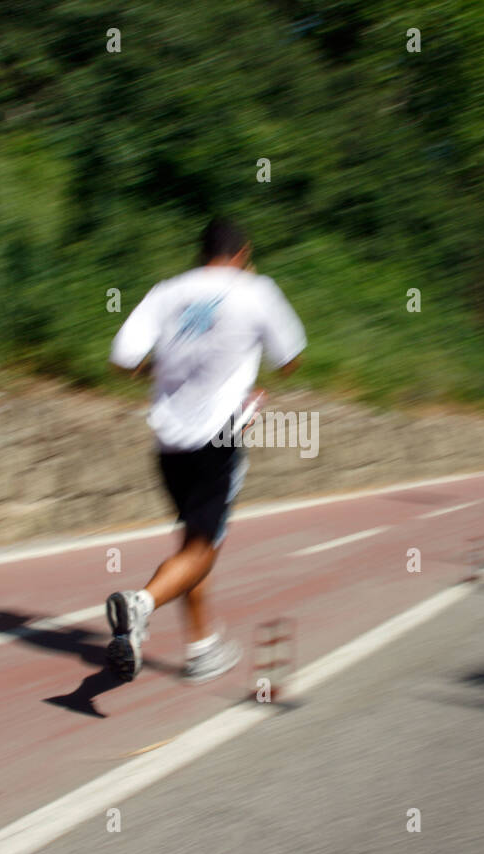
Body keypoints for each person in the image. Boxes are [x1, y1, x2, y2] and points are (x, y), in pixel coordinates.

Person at [104, 218, 306, 683]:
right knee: (201, 548)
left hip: (168, 443)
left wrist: (168, 369)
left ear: (203, 252)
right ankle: (142, 604)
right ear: (242, 253)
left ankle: (202, 648)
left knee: (194, 546)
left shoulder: (165, 292)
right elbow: (291, 358)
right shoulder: (256, 290)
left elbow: (122, 358)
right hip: (218, 437)